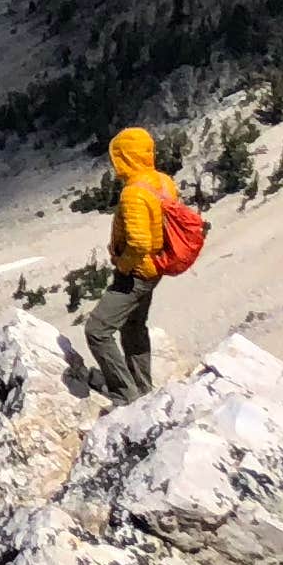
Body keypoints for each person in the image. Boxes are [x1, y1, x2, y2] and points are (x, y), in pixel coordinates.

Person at [83, 124, 174, 399]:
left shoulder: (134, 192)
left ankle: (125, 393)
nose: (115, 164)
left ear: (126, 158)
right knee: (134, 326)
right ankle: (143, 388)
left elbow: (139, 243)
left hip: (136, 272)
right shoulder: (163, 182)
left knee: (97, 330)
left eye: (118, 157)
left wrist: (123, 265)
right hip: (155, 268)